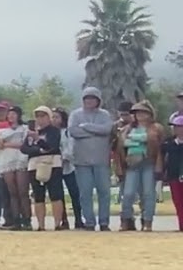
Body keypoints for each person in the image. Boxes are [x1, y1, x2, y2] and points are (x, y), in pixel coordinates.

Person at [67, 87, 115, 231]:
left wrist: (87, 127)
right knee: (85, 193)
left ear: (98, 100)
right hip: (82, 161)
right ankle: (89, 221)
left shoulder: (105, 114)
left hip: (101, 160)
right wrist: (96, 132)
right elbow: (73, 131)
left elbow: (107, 129)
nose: (89, 100)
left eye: (93, 98)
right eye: (86, 98)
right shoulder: (75, 115)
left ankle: (104, 222)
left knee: (104, 192)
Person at [115, 101, 163, 231]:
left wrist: (133, 140)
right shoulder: (127, 128)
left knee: (148, 193)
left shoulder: (156, 127)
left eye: (143, 112)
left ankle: (147, 220)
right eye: (136, 112)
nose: (140, 115)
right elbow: (122, 143)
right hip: (131, 164)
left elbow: (152, 139)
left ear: (150, 113)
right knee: (128, 193)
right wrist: (140, 139)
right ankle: (126, 219)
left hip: (149, 163)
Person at [21, 107, 65, 230]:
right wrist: (38, 149)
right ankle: (40, 224)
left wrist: (38, 141)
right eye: (38, 116)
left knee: (55, 194)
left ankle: (57, 223)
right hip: (34, 164)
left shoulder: (54, 131)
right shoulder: (31, 132)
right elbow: (24, 149)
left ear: (49, 117)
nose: (40, 119)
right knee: (38, 195)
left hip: (52, 164)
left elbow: (52, 146)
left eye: (43, 116)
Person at [0, 106, 30, 230]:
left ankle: (27, 219)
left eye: (14, 114)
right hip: (7, 160)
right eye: (9, 114)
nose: (11, 116)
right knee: (12, 192)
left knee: (23, 192)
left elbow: (23, 144)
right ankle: (16, 220)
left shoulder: (24, 128)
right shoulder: (2, 130)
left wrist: (7, 144)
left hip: (21, 159)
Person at [52, 109, 84, 230]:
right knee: (58, 194)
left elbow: (71, 146)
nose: (54, 120)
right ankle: (63, 219)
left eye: (57, 117)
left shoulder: (67, 132)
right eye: (52, 117)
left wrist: (65, 157)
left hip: (68, 166)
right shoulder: (50, 132)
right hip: (54, 166)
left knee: (74, 193)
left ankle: (78, 218)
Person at [163, 114, 183, 229]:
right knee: (178, 202)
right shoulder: (169, 143)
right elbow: (165, 158)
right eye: (176, 127)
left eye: (180, 127)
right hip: (174, 175)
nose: (178, 129)